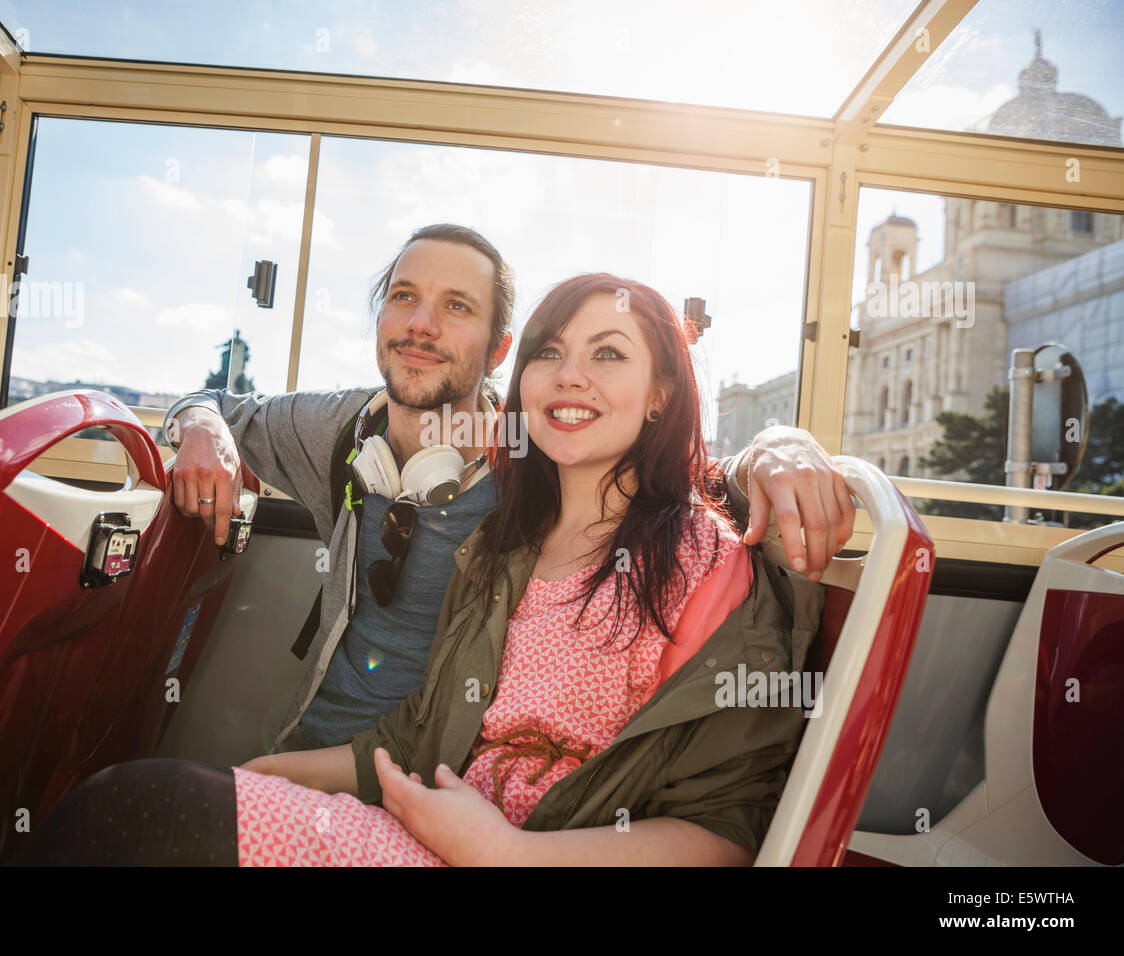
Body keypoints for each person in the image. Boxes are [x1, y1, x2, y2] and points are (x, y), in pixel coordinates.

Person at [8, 273, 824, 866]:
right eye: (552, 354)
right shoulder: (507, 546)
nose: (570, 375)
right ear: (524, 382)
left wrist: (504, 853)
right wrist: (270, 775)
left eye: (608, 354)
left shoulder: (708, 561)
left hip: (508, 853)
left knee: (129, 817)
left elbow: (724, 830)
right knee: (142, 801)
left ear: (659, 395)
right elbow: (421, 734)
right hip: (427, 821)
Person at [161, 223, 855, 757]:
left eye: (456, 306)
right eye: (404, 297)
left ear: (499, 351)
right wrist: (200, 429)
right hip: (314, 747)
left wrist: (776, 447)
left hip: (446, 775)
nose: (421, 324)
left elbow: (680, 478)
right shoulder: (340, 428)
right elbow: (212, 403)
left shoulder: (543, 455)